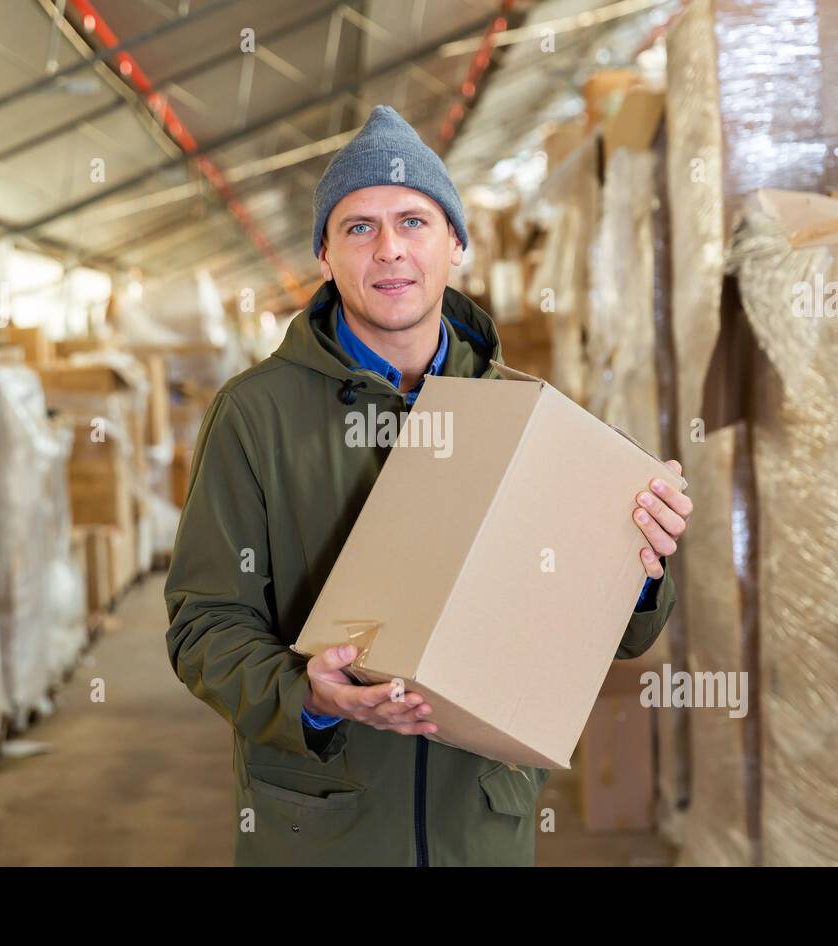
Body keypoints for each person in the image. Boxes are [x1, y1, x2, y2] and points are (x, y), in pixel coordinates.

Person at [164, 105, 694, 866]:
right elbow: (203, 624)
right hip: (322, 831)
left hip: (477, 827)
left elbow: (620, 637)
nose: (389, 250)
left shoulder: (528, 415)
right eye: (358, 227)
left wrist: (640, 566)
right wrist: (305, 698)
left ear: (456, 245)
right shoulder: (256, 415)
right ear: (323, 255)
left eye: (414, 222)